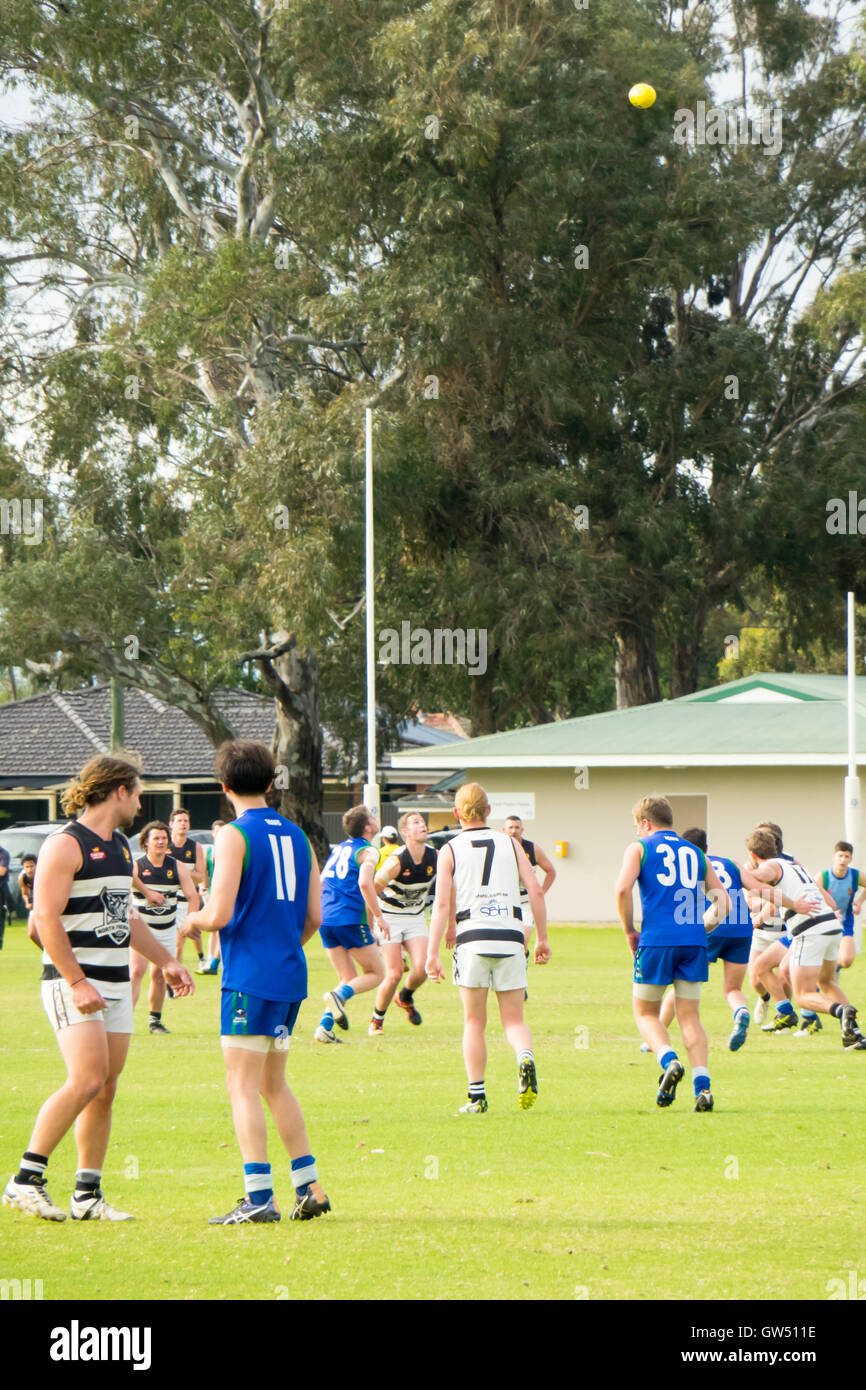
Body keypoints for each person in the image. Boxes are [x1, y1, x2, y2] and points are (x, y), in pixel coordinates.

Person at [2, 754, 194, 1223]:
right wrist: (75, 979)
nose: (142, 798)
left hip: (111, 983)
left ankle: (87, 1194)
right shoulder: (65, 844)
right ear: (119, 791)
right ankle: (25, 1180)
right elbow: (42, 919)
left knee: (105, 1087)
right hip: (75, 984)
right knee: (86, 1080)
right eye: (139, 789)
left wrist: (167, 960)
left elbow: (123, 918)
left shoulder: (123, 847)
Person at [183, 739, 330, 1223]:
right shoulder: (298, 836)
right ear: (271, 783)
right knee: (274, 1084)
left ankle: (259, 1197)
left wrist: (190, 921)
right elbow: (313, 917)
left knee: (241, 1086)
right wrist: (284, 944)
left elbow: (219, 913)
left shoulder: (233, 835)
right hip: (290, 977)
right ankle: (309, 1188)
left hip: (249, 978)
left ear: (224, 787)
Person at [426, 783, 551, 1113]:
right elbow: (536, 891)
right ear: (490, 812)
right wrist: (542, 938)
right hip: (510, 935)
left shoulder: (449, 849)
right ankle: (524, 1057)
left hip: (472, 937)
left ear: (456, 813)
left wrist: (430, 954)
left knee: (474, 1022)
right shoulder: (511, 843)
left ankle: (476, 1096)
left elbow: (441, 905)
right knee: (513, 1020)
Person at [616, 795, 730, 1112]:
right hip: (692, 942)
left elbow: (623, 889)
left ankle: (669, 1061)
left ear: (646, 823)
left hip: (656, 940)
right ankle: (703, 1088)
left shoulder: (639, 848)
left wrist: (629, 930)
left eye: (637, 826)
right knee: (690, 1017)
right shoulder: (695, 852)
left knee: (646, 1013)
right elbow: (724, 903)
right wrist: (700, 928)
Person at [653, 828, 813, 1053]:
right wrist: (793, 904)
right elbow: (760, 889)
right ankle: (741, 1012)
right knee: (732, 988)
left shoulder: (689, 866)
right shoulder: (732, 863)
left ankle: (656, 1035)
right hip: (741, 928)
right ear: (707, 847)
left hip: (712, 926)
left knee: (682, 983)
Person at [746, 827, 866, 1050]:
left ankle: (841, 1011)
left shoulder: (771, 866)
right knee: (826, 982)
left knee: (802, 996)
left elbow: (760, 877)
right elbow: (823, 895)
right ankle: (855, 1033)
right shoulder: (794, 865)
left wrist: (740, 873)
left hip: (810, 930)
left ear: (753, 855)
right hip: (831, 926)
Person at [314, 806, 386, 1044]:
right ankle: (337, 996)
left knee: (348, 977)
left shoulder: (340, 848)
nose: (376, 821)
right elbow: (366, 883)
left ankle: (324, 1028)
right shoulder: (368, 850)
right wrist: (378, 916)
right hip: (348, 918)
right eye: (373, 818)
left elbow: (322, 881)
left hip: (326, 918)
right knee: (376, 973)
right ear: (368, 827)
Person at [368, 812, 437, 1035]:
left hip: (415, 917)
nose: (422, 825)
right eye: (416, 822)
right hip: (389, 917)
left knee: (423, 968)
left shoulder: (435, 856)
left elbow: (450, 887)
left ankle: (404, 996)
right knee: (394, 973)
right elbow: (370, 890)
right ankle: (376, 1021)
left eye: (423, 822)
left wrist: (453, 926)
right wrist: (374, 923)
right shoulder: (397, 861)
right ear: (405, 833)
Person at [130, 822, 198, 1033]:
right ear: (146, 843)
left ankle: (155, 1021)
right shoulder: (137, 866)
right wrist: (147, 892)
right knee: (137, 971)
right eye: (156, 838)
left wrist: (190, 920)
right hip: (142, 929)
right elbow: (127, 879)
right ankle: (124, 1021)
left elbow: (192, 896)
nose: (160, 842)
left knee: (159, 975)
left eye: (163, 838)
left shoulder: (176, 866)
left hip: (167, 929)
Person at [168, 808, 207, 972]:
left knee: (183, 938)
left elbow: (200, 876)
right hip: (167, 900)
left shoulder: (195, 847)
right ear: (171, 824)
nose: (183, 824)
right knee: (176, 940)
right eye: (179, 821)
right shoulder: (164, 845)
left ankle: (198, 960)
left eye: (186, 821)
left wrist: (182, 871)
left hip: (187, 900)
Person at [817, 841, 865, 971]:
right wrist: (828, 914)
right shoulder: (823, 877)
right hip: (823, 922)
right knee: (817, 960)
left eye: (846, 856)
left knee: (846, 960)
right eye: (840, 856)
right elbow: (812, 898)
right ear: (834, 857)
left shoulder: (855, 875)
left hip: (845, 921)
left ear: (850, 859)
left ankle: (833, 966)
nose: (843, 860)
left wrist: (859, 902)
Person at [199, 820, 225, 975]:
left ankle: (216, 961)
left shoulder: (229, 850)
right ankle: (211, 959)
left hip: (225, 893)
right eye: (217, 831)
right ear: (213, 833)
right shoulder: (209, 851)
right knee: (213, 928)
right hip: (212, 893)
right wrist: (204, 888)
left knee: (222, 927)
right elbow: (204, 872)